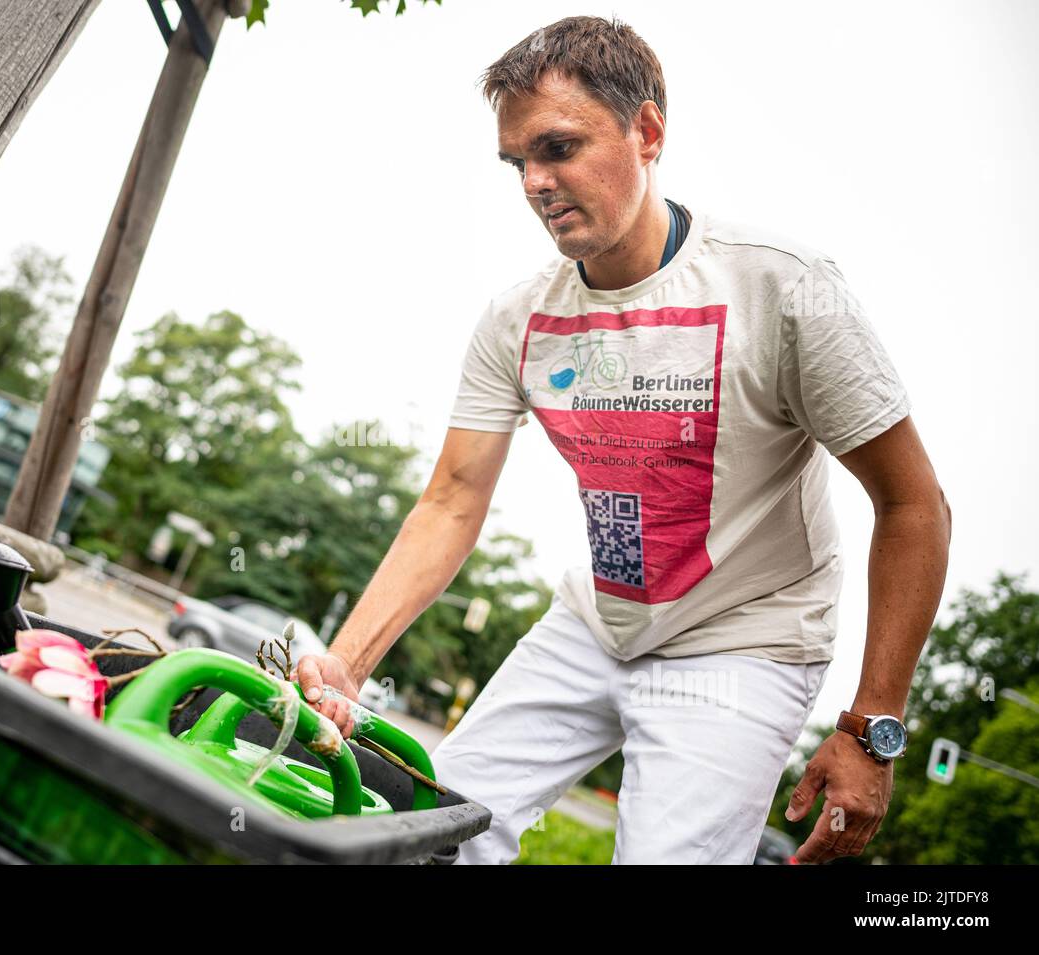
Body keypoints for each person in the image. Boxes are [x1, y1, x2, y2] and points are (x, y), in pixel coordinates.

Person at [294, 15, 950, 864]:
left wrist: (871, 727)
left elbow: (913, 504)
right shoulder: (519, 318)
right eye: (517, 161)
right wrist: (347, 663)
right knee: (425, 836)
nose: (534, 181)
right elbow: (453, 497)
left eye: (558, 148)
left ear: (647, 131)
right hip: (599, 620)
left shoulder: (784, 288)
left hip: (744, 643)